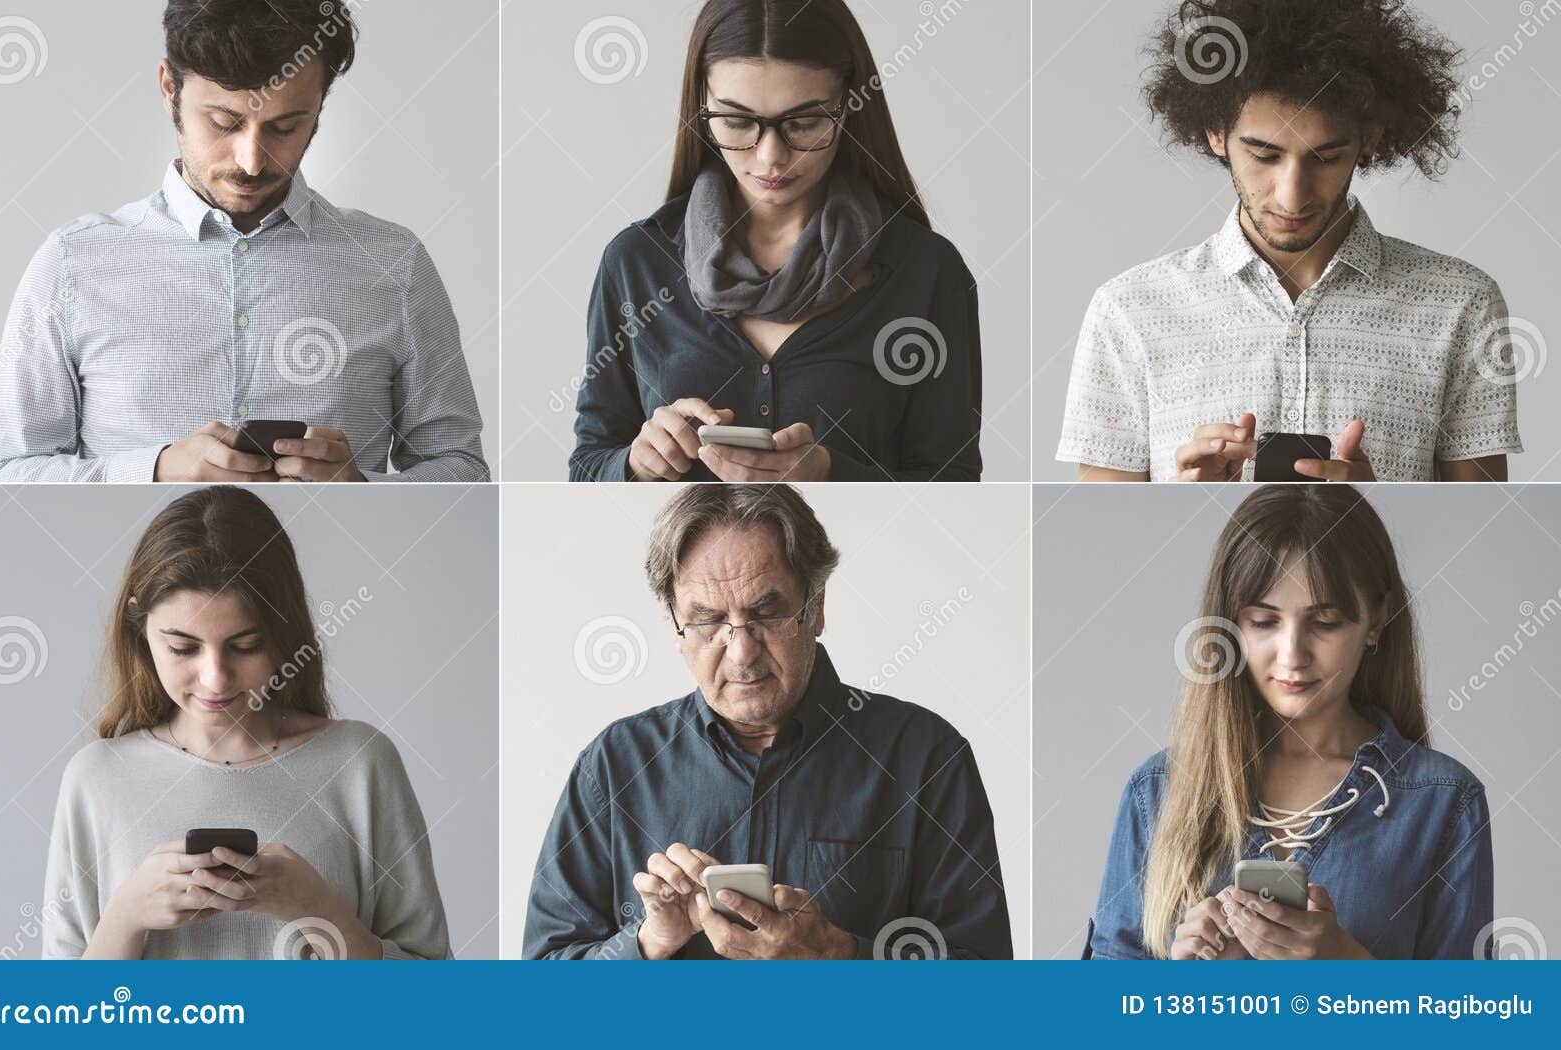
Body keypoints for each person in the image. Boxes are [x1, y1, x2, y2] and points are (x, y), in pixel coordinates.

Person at [0, 0, 487, 483]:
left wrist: (363, 488)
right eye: (224, 122)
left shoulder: (395, 264)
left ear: (319, 107)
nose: (251, 160)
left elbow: (462, 469)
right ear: (168, 88)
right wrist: (151, 470)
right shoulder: (72, 263)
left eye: (285, 126)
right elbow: (3, 477)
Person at [524, 485, 1010, 958]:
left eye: (766, 612)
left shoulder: (926, 757)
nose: (741, 652)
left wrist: (839, 958)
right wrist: (648, 942)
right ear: (675, 624)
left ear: (816, 607)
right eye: (708, 620)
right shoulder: (613, 765)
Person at [1058, 0, 1522, 483]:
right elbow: (1117, 541)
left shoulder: (1462, 303)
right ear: (1217, 133)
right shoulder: (1128, 311)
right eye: (1263, 155)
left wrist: (1380, 505)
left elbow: (1479, 521)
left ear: (1370, 139)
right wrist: (1183, 508)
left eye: (1325, 157)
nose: (1292, 194)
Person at [570, 0, 982, 484]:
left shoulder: (927, 272)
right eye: (738, 121)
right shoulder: (636, 263)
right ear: (700, 108)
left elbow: (953, 483)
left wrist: (832, 476)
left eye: (804, 123)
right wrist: (635, 464)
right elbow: (587, 466)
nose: (771, 157)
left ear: (849, 107)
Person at [42, 487, 451, 959]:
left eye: (245, 644)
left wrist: (314, 908)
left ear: (283, 633)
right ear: (140, 628)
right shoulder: (96, 777)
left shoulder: (360, 763)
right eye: (183, 647)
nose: (215, 679)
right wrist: (127, 917)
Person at [1088, 485, 1493, 959]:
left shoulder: (1444, 802)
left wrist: (1351, 971)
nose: (1292, 656)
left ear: (1377, 621)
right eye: (1263, 621)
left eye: (1324, 622)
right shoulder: (1157, 790)